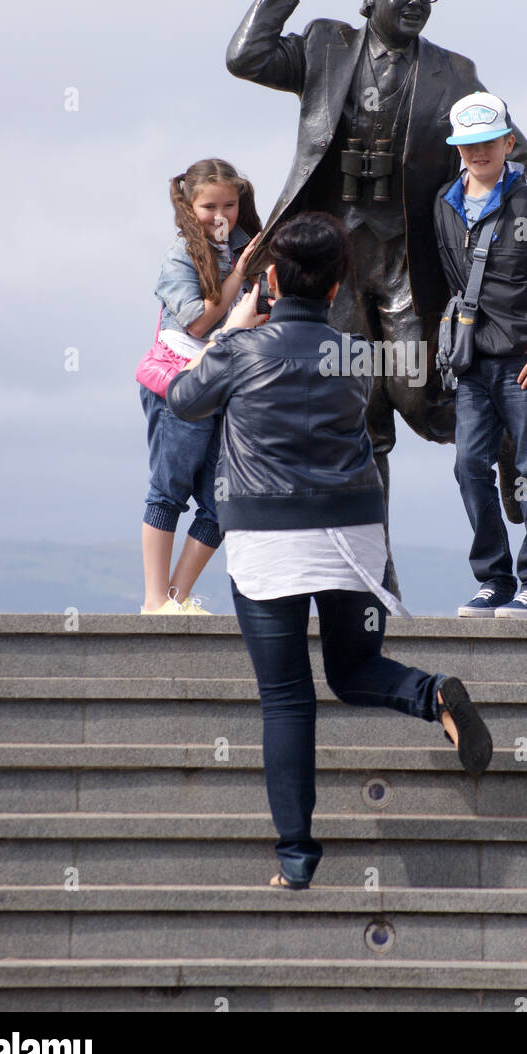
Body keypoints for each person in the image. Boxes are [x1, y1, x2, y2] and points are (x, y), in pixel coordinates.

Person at [166, 212, 493, 888]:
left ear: (273, 278)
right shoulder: (356, 355)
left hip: (267, 537)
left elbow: (183, 398)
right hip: (351, 532)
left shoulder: (239, 351)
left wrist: (233, 327)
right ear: (341, 281)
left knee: (287, 699)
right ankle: (431, 694)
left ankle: (296, 859)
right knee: (351, 668)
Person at [226, 0, 527, 591]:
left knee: (419, 399)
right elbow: (244, 56)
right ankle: (376, 573)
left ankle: (505, 441)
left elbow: (516, 151)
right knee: (356, 417)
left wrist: (473, 213)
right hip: (334, 263)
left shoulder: (452, 74)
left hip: (406, 260)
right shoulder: (325, 47)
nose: (418, 3)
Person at [433, 94, 527, 618]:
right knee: (468, 466)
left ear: (508, 143)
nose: (479, 152)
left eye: (489, 141)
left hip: (526, 362)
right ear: (459, 149)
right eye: (469, 144)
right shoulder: (444, 205)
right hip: (473, 365)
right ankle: (495, 579)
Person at [139, 158, 262, 614]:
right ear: (189, 206)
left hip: (226, 388)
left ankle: (177, 597)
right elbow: (198, 322)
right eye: (209, 206)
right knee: (168, 489)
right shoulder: (179, 257)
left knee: (219, 503)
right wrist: (237, 277)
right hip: (180, 385)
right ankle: (155, 601)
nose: (221, 216)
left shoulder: (247, 246)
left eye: (229, 205)